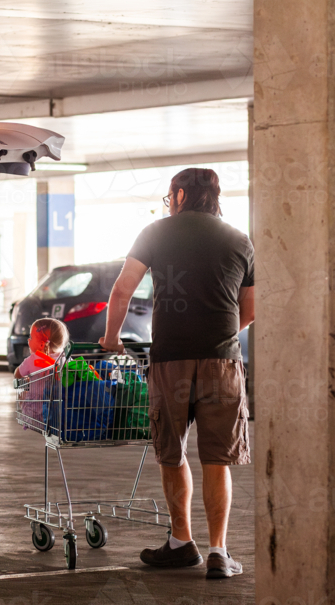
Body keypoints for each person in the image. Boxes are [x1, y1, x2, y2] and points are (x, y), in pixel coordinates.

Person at [99, 167, 254, 579]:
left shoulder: (156, 232)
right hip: (223, 361)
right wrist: (219, 334)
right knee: (216, 459)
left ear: (180, 194)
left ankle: (182, 543)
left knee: (172, 452)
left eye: (171, 194)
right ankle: (219, 551)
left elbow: (122, 289)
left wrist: (112, 337)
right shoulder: (240, 238)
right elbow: (252, 306)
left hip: (170, 361)